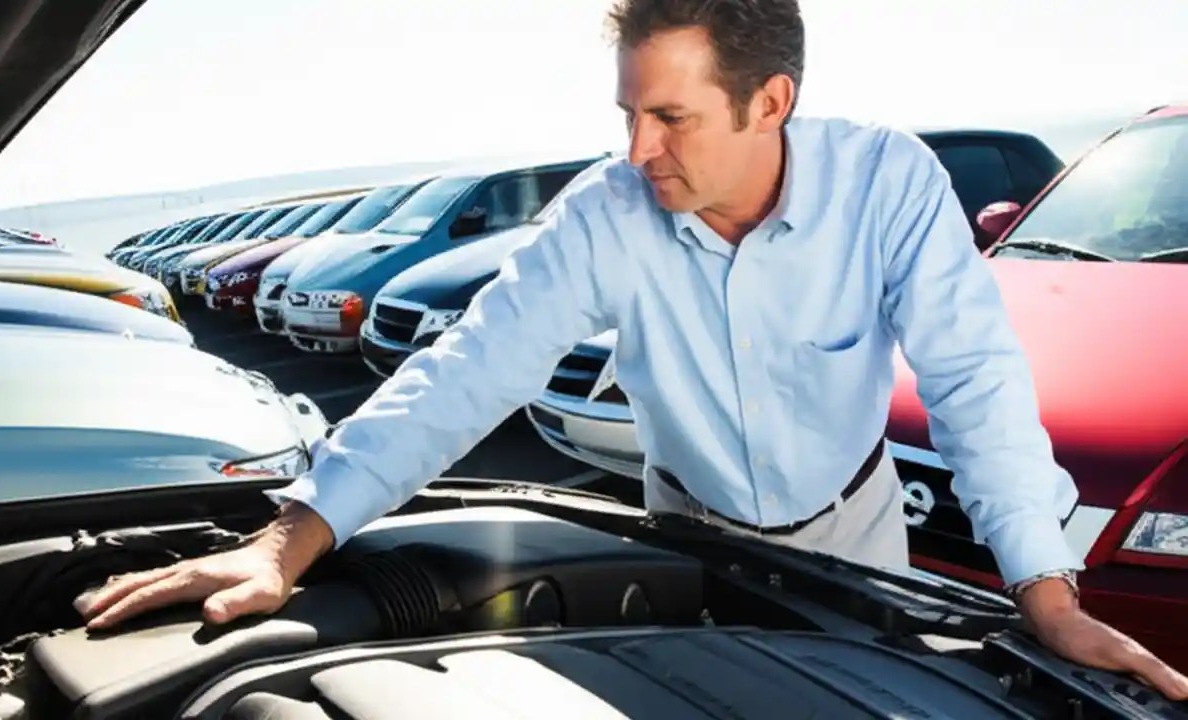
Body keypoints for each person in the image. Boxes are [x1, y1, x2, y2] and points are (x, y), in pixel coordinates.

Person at [79, 0, 1188, 699]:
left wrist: (1043, 595)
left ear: (771, 101)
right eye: (625, 115)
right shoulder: (603, 212)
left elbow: (973, 384)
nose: (634, 151)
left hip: (853, 541)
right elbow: (468, 371)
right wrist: (288, 541)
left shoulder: (887, 184)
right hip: (681, 535)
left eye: (669, 118)